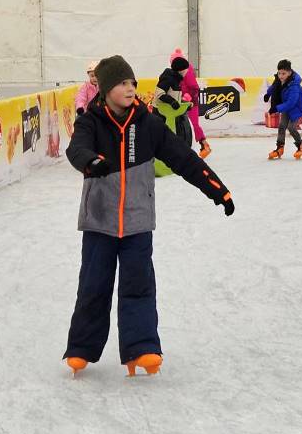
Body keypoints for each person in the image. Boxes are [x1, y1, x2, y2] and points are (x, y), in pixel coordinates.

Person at [63, 55, 234, 376]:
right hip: (99, 221)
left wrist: (217, 190)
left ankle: (141, 349)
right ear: (106, 88)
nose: (130, 89)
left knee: (139, 286)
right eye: (122, 83)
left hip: (138, 221)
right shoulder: (91, 121)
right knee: (93, 286)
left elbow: (185, 159)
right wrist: (90, 161)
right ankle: (81, 349)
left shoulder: (148, 124)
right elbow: (76, 148)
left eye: (132, 83)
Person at [171, 48, 211, 158]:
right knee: (183, 126)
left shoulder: (187, 72)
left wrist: (191, 99)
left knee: (194, 125)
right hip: (182, 102)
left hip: (191, 103)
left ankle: (204, 145)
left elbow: (194, 87)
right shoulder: (178, 73)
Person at [264, 59, 302, 160]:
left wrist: (276, 108)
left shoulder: (294, 86)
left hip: (297, 109)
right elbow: (275, 86)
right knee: (281, 126)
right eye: (279, 73)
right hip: (286, 107)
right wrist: (268, 94)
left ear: (289, 72)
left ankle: (301, 147)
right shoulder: (280, 80)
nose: (280, 76)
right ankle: (280, 148)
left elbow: (291, 102)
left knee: (291, 127)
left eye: (283, 73)